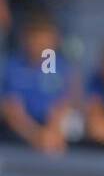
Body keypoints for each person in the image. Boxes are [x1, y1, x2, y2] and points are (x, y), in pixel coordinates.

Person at [0, 13, 71, 153]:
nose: (40, 44)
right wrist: (36, 135)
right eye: (36, 38)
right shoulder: (12, 66)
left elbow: (63, 103)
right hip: (22, 131)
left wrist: (53, 130)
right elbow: (11, 108)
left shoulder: (60, 67)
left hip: (52, 132)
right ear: (25, 39)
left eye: (45, 39)